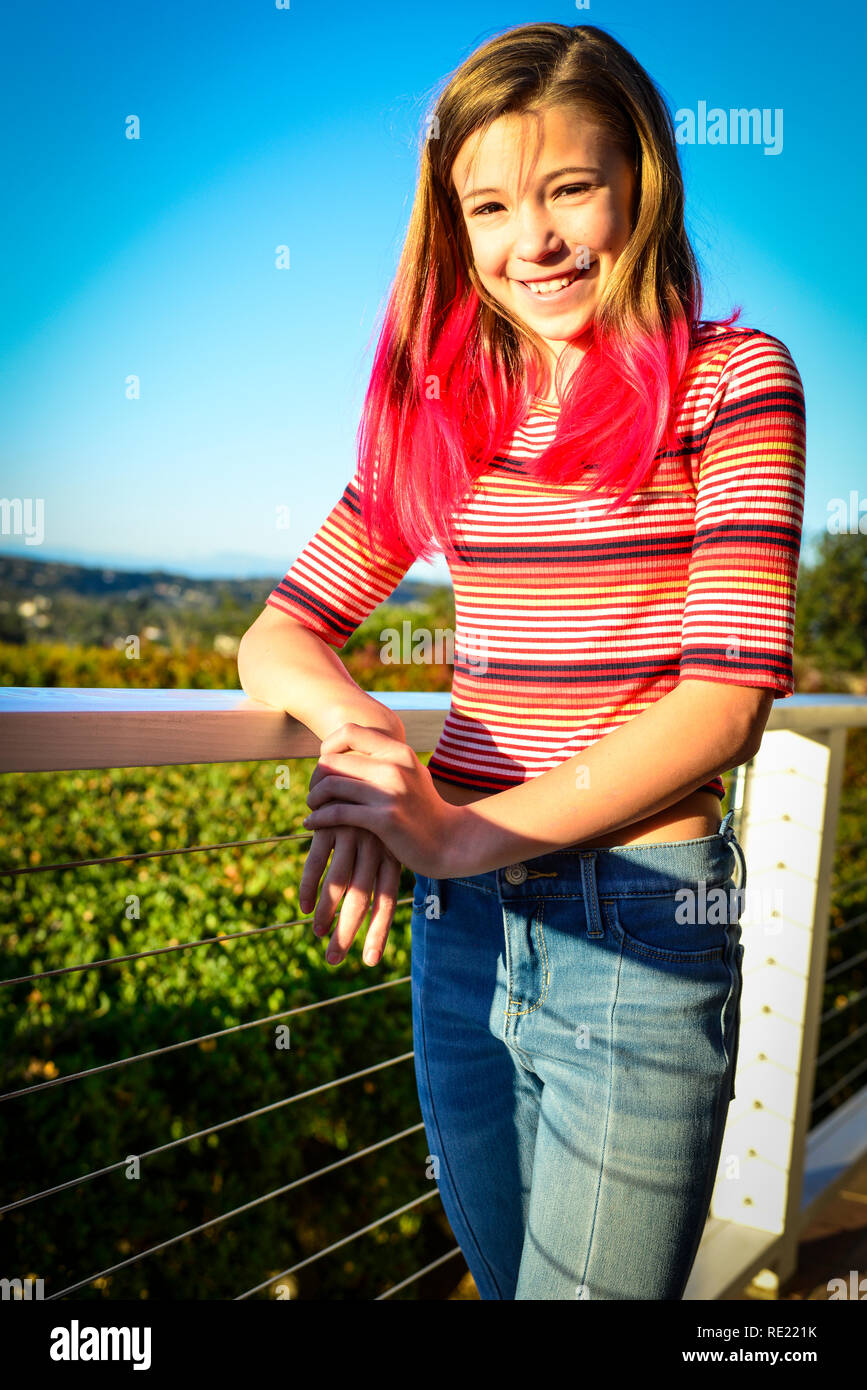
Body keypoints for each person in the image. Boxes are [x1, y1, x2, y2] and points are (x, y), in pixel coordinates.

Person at [238, 22, 805, 1299]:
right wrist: (364, 734)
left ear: (642, 183)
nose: (530, 241)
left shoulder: (733, 379)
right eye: (489, 204)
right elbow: (278, 632)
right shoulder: (455, 407)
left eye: (569, 190)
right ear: (452, 224)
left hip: (639, 923)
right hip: (463, 933)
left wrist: (450, 836)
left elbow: (723, 708)